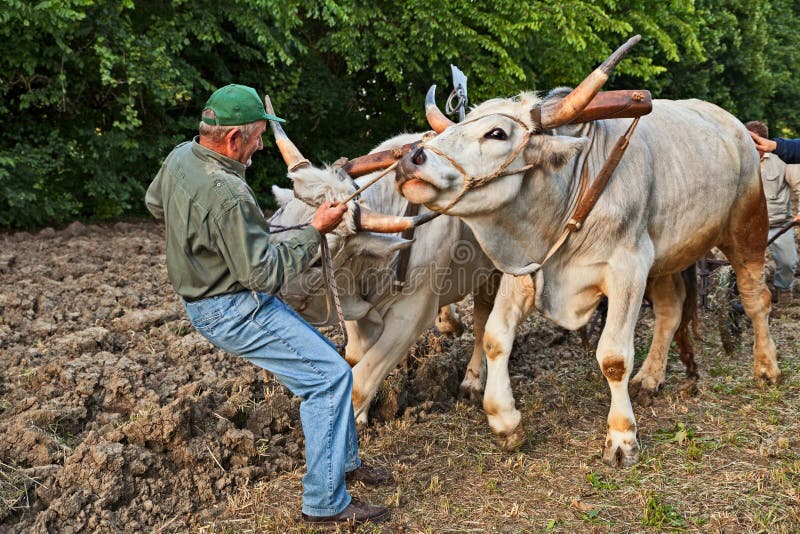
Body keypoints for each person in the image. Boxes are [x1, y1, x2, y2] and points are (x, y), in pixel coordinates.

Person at [145, 84, 391, 526]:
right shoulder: (230, 194)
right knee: (329, 379)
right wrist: (315, 227)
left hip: (210, 298)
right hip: (234, 307)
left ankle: (344, 462)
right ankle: (325, 502)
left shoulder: (182, 156)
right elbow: (264, 274)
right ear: (234, 139)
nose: (261, 144)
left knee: (326, 366)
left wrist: (210, 241)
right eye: (258, 136)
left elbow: (154, 203)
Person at [745, 121, 800, 306]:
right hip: (746, 226)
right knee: (743, 264)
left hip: (777, 224)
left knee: (788, 262)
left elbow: (799, 186)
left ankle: (783, 288)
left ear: (762, 141)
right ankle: (748, 293)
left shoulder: (783, 159)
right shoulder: (737, 160)